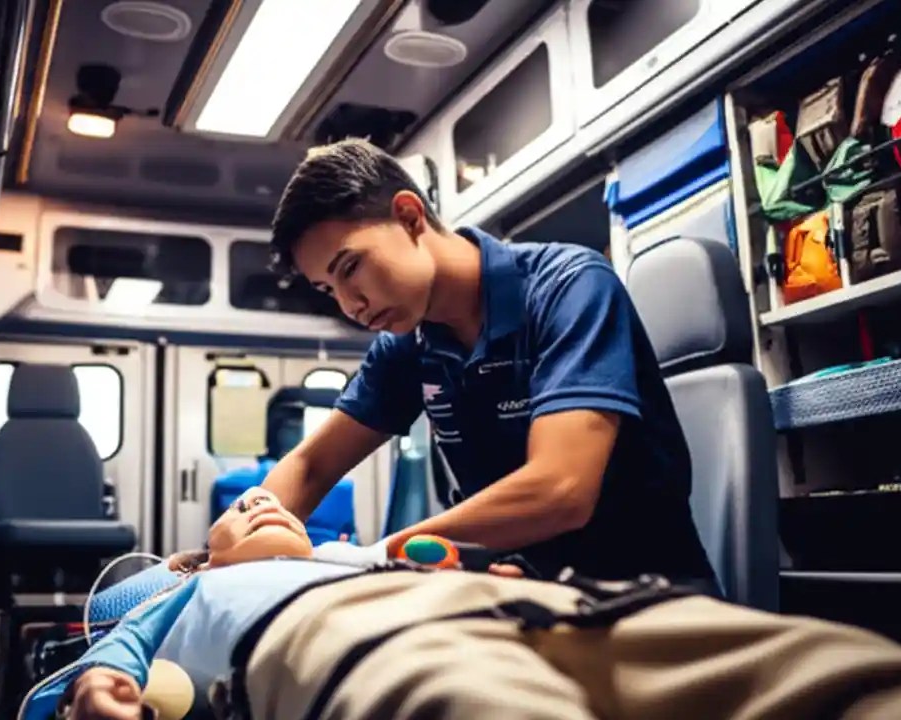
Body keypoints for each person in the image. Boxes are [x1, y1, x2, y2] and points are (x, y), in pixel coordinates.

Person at [31, 487, 901, 720]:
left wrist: (484, 576)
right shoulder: (199, 596)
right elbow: (106, 665)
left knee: (818, 673)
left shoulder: (366, 553)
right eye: (236, 513)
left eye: (267, 500)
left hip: (578, 611)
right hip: (360, 643)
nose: (262, 499)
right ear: (198, 564)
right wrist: (101, 684)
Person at [260, 138, 714, 587]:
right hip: (523, 588)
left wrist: (380, 555)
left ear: (409, 216)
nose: (349, 306)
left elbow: (561, 490)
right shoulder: (408, 345)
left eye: (350, 268)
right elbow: (311, 466)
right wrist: (224, 548)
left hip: (647, 598)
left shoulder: (569, 287)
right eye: (328, 289)